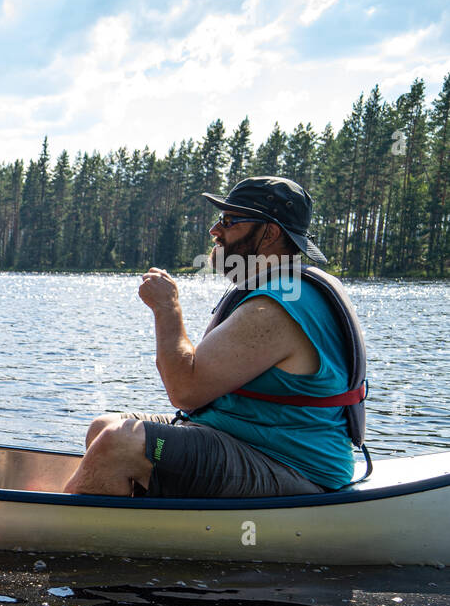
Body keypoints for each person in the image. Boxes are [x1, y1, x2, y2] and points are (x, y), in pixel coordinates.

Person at [64, 175, 366, 497]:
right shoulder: (281, 288)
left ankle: (54, 533)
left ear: (271, 233)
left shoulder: (277, 307)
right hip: (245, 443)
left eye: (229, 220)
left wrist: (167, 308)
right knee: (102, 428)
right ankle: (134, 536)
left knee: (118, 443)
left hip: (291, 467)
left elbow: (186, 391)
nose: (215, 230)